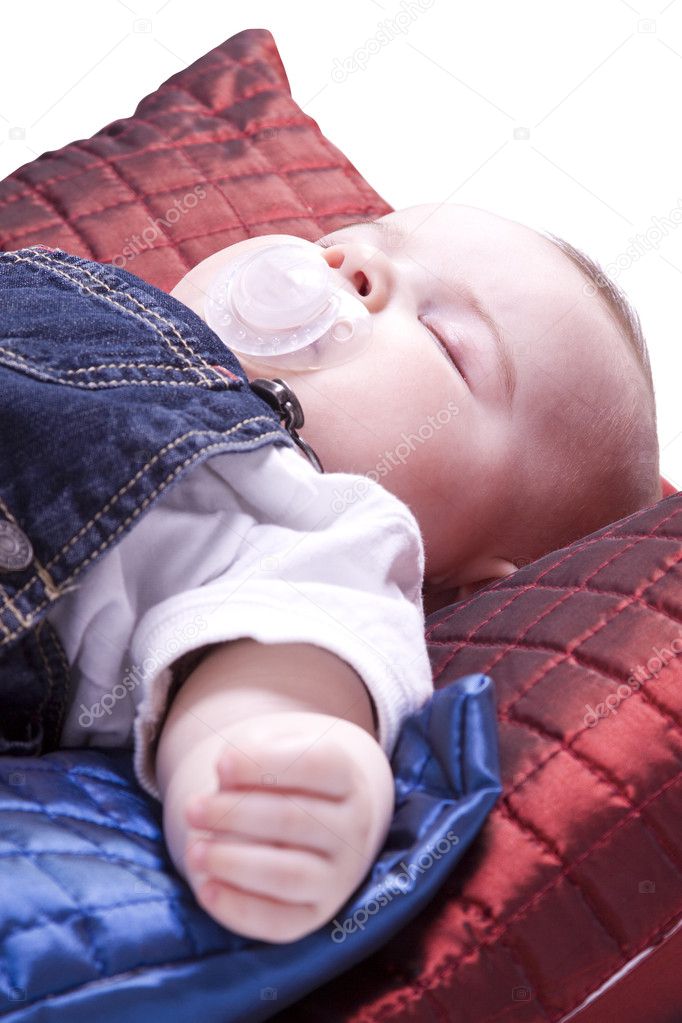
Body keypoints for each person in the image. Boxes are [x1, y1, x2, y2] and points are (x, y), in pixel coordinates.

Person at [0, 201, 661, 946]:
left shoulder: (319, 535)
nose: (356, 265)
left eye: (446, 338)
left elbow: (282, 669)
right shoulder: (87, 295)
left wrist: (279, 769)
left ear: (472, 586)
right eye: (345, 241)